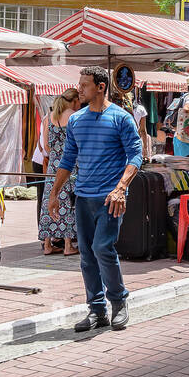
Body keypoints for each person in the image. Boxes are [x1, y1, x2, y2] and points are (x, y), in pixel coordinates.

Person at [47, 67, 144, 333]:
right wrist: (54, 193)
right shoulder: (76, 120)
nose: (80, 89)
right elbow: (67, 161)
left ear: (101, 87)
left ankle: (119, 301)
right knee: (87, 255)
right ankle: (97, 310)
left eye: (85, 85)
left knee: (102, 248)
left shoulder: (121, 118)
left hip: (110, 198)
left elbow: (136, 156)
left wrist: (121, 188)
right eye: (79, 84)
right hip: (83, 198)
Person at [39, 89, 80, 256]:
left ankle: (47, 244)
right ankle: (68, 245)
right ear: (75, 100)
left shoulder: (49, 117)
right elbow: (78, 142)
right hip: (69, 165)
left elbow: (46, 146)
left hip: (53, 166)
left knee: (50, 201)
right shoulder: (74, 116)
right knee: (68, 203)